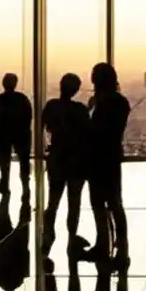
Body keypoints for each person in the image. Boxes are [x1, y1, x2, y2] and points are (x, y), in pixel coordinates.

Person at [39, 73, 90, 256]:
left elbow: (46, 127)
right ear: (76, 90)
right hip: (76, 161)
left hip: (57, 158)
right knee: (74, 202)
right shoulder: (80, 110)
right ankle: (72, 236)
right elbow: (86, 134)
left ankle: (48, 233)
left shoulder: (52, 106)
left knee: (53, 200)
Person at [87, 62, 131, 267]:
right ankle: (122, 247)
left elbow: (93, 129)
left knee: (98, 203)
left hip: (97, 156)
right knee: (115, 202)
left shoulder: (102, 104)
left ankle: (102, 242)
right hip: (112, 155)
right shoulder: (121, 102)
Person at [0, 72, 34, 196]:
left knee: (4, 161)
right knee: (24, 160)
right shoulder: (22, 98)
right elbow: (28, 116)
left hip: (4, 135)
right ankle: (25, 187)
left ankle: (4, 183)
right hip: (21, 133)